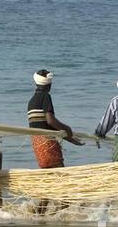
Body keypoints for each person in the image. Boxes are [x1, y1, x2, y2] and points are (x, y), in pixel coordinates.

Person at [26, 69, 83, 215]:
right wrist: (67, 129)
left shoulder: (31, 101)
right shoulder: (46, 97)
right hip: (47, 142)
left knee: (47, 178)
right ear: (49, 85)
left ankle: (40, 211)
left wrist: (70, 139)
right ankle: (62, 211)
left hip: (37, 142)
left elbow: (42, 125)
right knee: (61, 177)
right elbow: (50, 121)